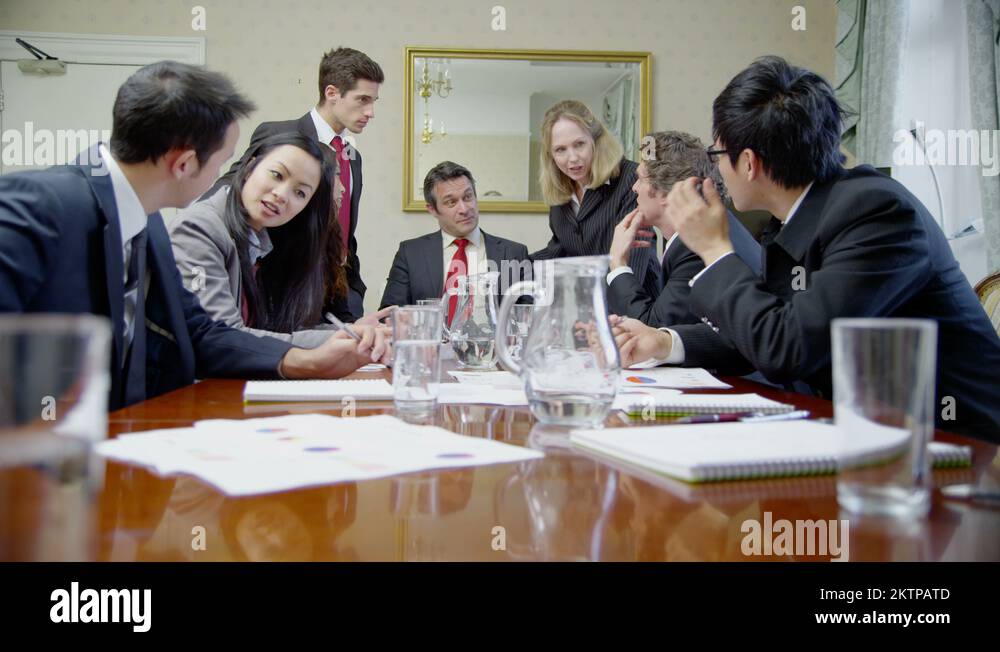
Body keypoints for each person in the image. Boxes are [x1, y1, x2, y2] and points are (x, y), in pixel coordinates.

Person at [613, 56, 1000, 440]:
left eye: (718, 155)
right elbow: (764, 328)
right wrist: (663, 342)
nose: (717, 171)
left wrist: (714, 249)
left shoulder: (876, 212)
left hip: (959, 445)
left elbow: (788, 349)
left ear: (748, 163)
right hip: (865, 432)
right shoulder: (800, 216)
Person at [0, 61, 388, 411]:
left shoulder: (144, 221)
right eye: (223, 163)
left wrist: (303, 360)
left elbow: (201, 330)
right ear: (185, 163)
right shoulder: (38, 206)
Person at [208, 47, 384, 320]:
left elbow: (344, 228)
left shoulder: (353, 158)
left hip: (337, 295)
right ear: (332, 93)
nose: (370, 112)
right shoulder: (282, 134)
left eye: (373, 101)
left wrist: (353, 289)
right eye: (362, 100)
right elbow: (229, 188)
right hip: (283, 291)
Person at [170, 133, 390, 347]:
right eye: (277, 175)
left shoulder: (268, 241)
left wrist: (353, 332)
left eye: (300, 193)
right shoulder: (201, 227)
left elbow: (277, 331)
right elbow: (220, 338)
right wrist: (344, 339)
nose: (282, 195)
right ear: (250, 167)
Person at [607, 130, 760, 327]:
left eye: (641, 179)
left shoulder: (694, 248)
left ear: (665, 192)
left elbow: (655, 329)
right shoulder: (718, 225)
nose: (634, 187)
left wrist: (618, 263)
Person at [531, 100, 658, 296]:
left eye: (579, 144)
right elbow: (560, 252)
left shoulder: (632, 180)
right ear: (551, 156)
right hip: (589, 313)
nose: (572, 158)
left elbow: (630, 267)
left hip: (636, 312)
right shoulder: (563, 193)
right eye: (560, 150)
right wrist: (506, 262)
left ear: (596, 141)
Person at [380, 161, 531, 325]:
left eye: (468, 197)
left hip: (493, 348)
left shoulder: (514, 253)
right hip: (432, 348)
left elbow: (529, 318)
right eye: (451, 202)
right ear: (432, 209)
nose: (464, 209)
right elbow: (389, 316)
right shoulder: (410, 253)